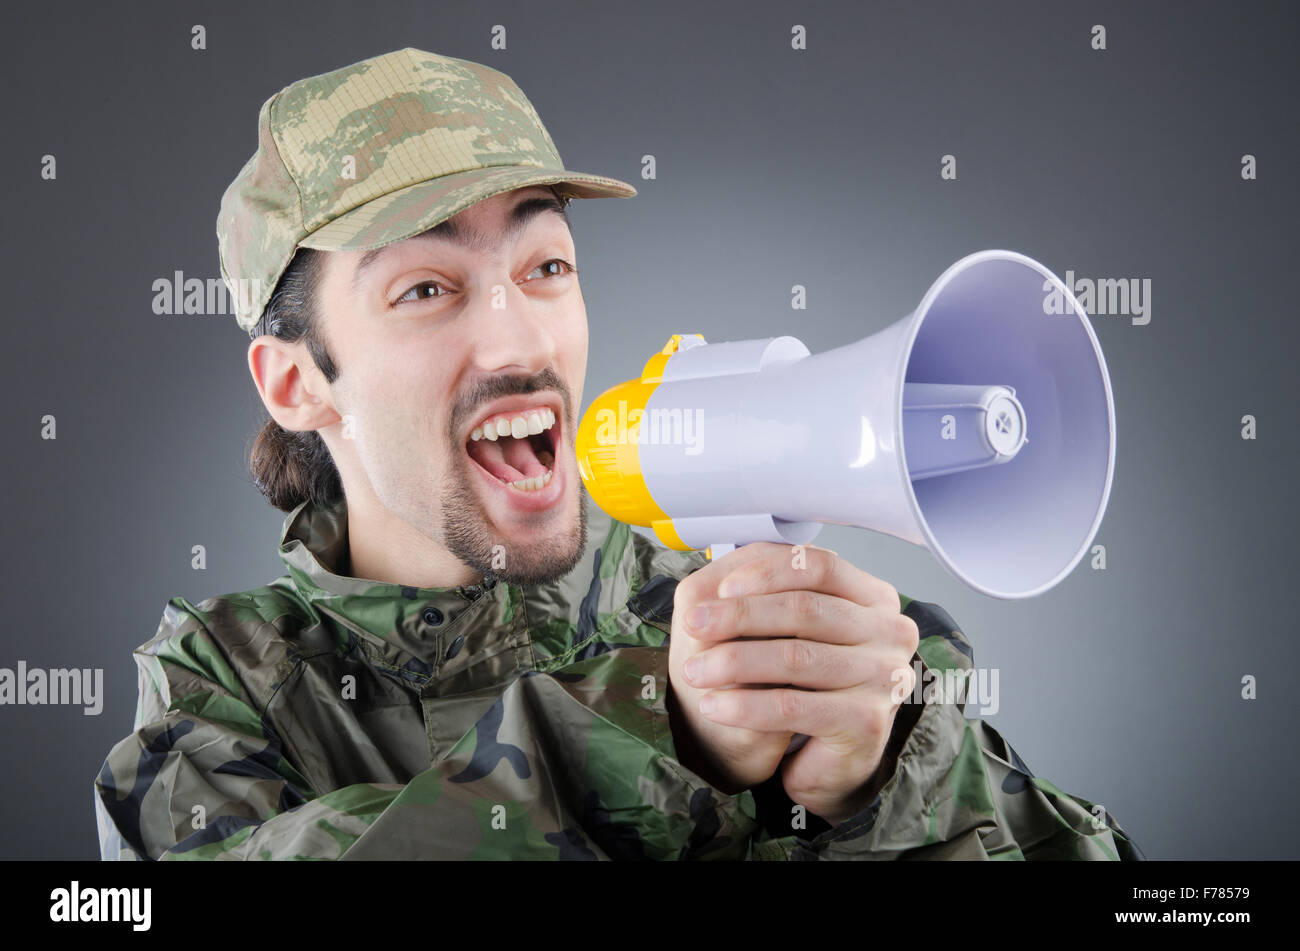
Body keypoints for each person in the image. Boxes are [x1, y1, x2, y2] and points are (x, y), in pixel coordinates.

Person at [93, 47, 1142, 860]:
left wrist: (892, 781)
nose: (520, 342)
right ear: (297, 381)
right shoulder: (225, 684)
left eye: (545, 264)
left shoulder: (798, 642)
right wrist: (657, 736)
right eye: (426, 288)